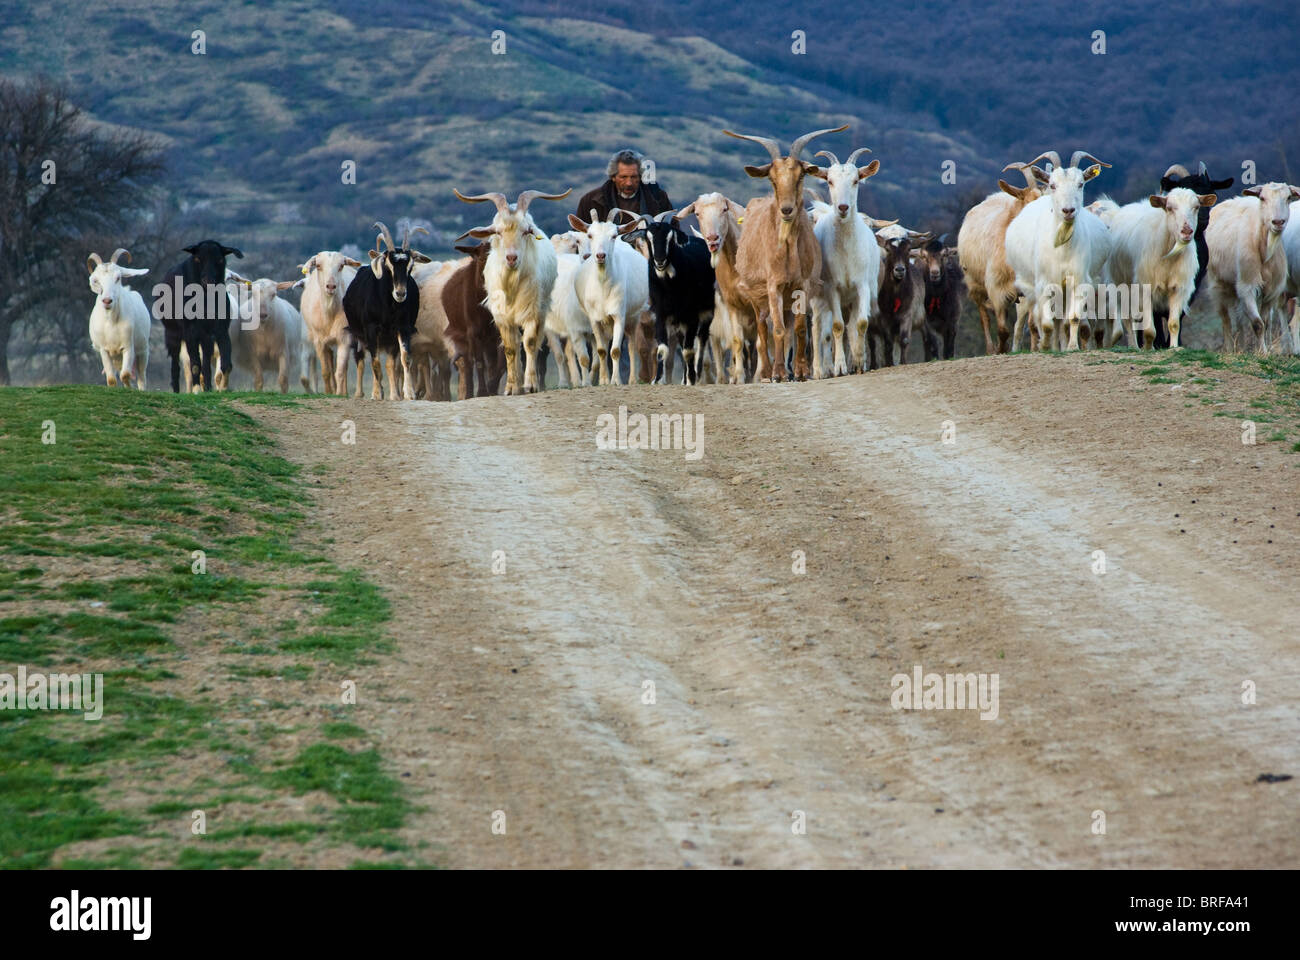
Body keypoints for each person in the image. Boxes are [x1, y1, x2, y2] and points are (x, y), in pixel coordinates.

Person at [574, 148, 672, 224]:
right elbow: (579, 238)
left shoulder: (658, 197)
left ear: (640, 176)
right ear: (613, 177)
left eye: (633, 177)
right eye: (623, 177)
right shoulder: (590, 201)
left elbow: (673, 232)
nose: (629, 183)